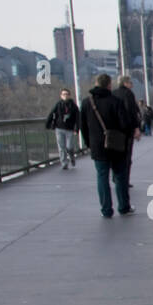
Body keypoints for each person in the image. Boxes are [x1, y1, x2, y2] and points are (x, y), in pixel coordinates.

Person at [79, 73, 136, 218]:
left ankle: (106, 209)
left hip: (97, 146)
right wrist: (126, 139)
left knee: (102, 176)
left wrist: (89, 143)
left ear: (96, 84)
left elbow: (83, 126)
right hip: (116, 145)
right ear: (109, 85)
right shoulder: (115, 101)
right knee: (120, 176)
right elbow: (125, 124)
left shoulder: (86, 103)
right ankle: (123, 206)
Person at [45, 88, 79, 169]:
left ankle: (71, 157)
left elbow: (78, 118)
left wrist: (77, 129)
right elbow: (51, 113)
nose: (65, 96)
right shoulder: (58, 104)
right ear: (61, 96)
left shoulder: (73, 106)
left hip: (70, 129)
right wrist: (48, 124)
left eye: (67, 94)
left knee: (69, 146)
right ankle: (64, 163)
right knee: (61, 147)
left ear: (69, 95)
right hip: (59, 128)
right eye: (63, 94)